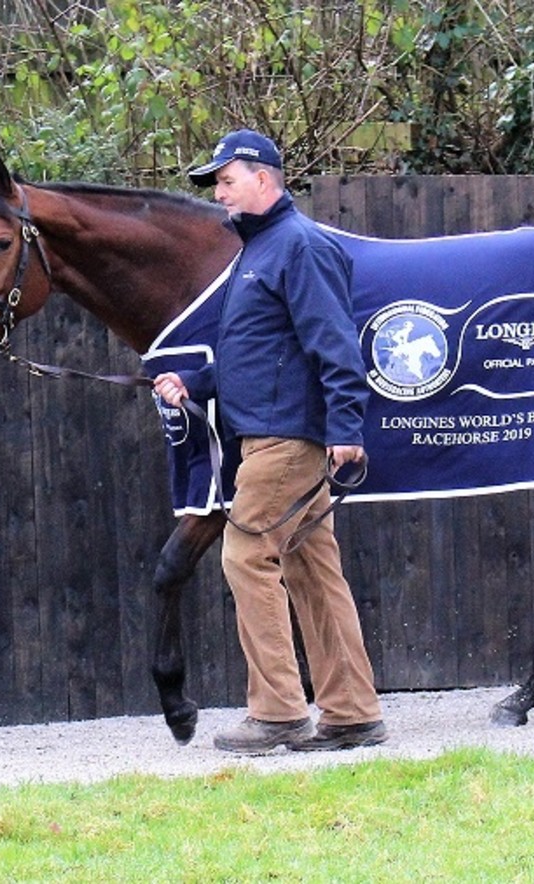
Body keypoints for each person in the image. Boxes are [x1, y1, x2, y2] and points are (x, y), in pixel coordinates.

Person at [153, 129, 386, 754]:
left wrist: (346, 428)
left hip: (285, 439)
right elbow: (260, 351)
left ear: (264, 178)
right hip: (276, 433)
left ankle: (279, 711)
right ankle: (352, 711)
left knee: (244, 554)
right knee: (313, 570)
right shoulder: (260, 252)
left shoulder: (298, 247)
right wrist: (195, 382)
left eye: (226, 181)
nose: (219, 194)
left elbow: (335, 344)